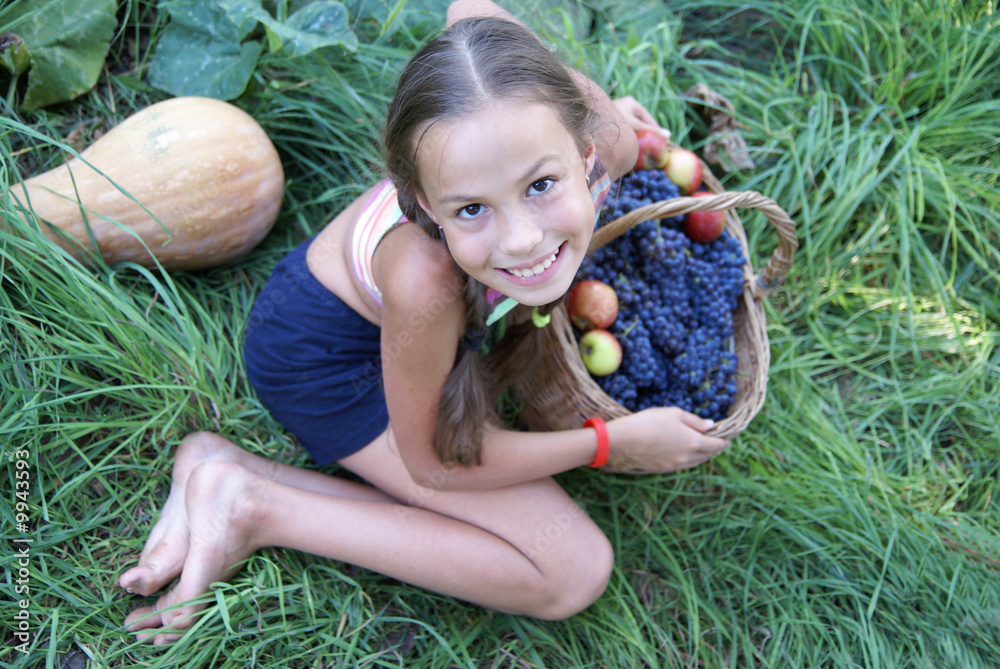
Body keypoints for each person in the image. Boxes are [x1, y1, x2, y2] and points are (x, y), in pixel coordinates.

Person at [118, 0, 729, 645]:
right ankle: (254, 506)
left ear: (583, 152)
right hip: (324, 362)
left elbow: (471, 12)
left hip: (419, 327)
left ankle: (225, 469)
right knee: (572, 571)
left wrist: (613, 115)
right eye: (470, 207)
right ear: (423, 204)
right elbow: (434, 466)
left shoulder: (610, 140)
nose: (521, 241)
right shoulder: (425, 281)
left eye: (541, 184)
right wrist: (611, 442)